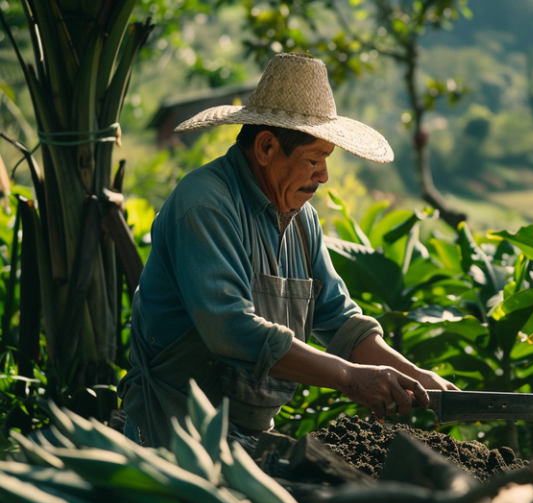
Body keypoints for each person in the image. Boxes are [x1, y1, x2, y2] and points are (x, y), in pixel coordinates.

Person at [118, 53, 458, 448]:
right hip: (173, 431)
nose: (324, 176)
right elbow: (230, 328)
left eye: (326, 160)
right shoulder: (205, 203)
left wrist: (416, 377)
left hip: (247, 434)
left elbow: (339, 318)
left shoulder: (302, 219)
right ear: (265, 148)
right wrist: (348, 378)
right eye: (313, 159)